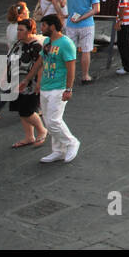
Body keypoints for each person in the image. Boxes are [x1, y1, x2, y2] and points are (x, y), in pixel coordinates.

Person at [36, 13, 80, 163]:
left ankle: (71, 142)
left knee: (54, 121)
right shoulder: (47, 41)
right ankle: (58, 151)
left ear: (52, 26)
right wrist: (31, 79)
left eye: (43, 25)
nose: (41, 28)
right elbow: (41, 61)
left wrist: (69, 89)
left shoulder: (66, 43)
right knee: (48, 122)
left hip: (59, 87)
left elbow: (71, 68)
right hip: (45, 86)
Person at [4, 4, 49, 147]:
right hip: (17, 80)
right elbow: (10, 58)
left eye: (21, 30)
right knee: (20, 110)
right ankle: (29, 137)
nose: (18, 32)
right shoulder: (19, 43)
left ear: (30, 31)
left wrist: (39, 83)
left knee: (27, 110)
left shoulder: (36, 46)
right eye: (18, 29)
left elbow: (40, 65)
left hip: (30, 83)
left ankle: (42, 130)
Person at [59, 0, 100, 85]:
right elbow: (96, 9)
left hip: (71, 23)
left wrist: (60, 14)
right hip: (86, 23)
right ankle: (85, 76)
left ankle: (68, 75)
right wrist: (82, 17)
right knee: (86, 50)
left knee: (70, 50)